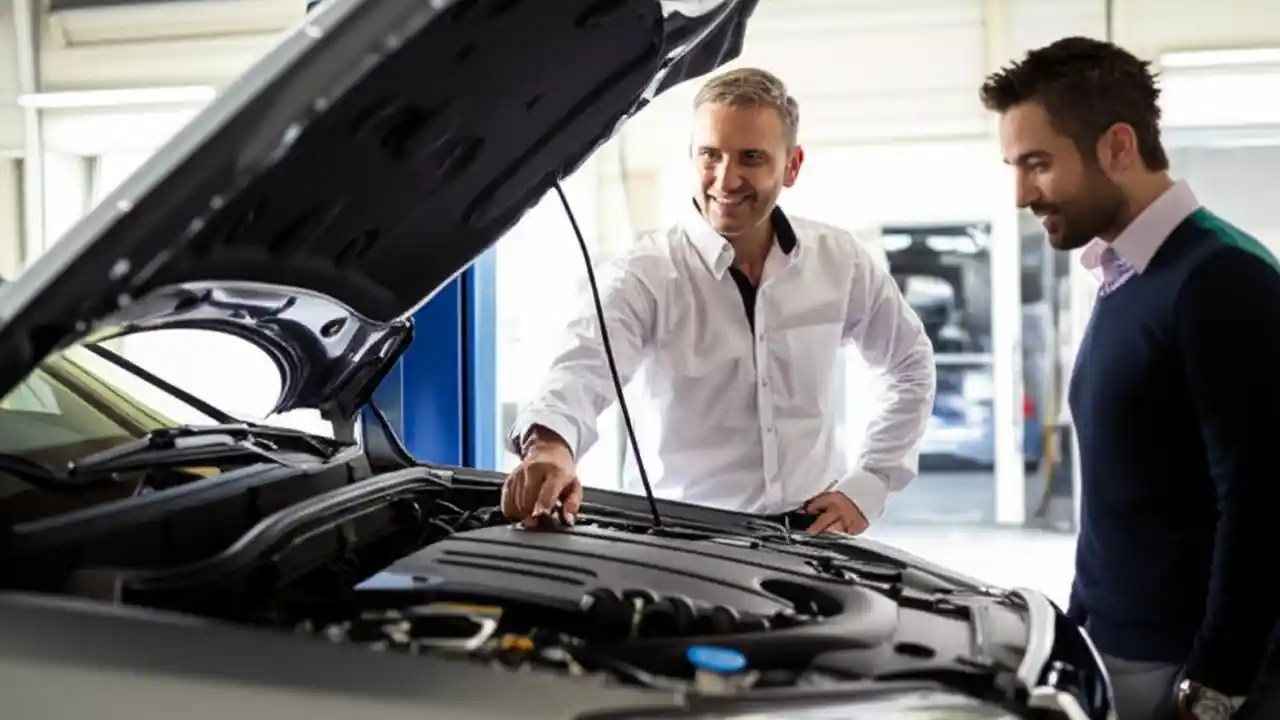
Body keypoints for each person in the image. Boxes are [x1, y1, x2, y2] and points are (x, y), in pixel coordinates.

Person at [981, 36, 1280, 719]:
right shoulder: (1125, 277)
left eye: (1038, 164)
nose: (1023, 193)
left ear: (1118, 146)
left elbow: (1264, 502)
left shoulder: (1219, 278)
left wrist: (1215, 686)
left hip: (1188, 671)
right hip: (1119, 648)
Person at [500, 67, 936, 535]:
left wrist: (868, 485)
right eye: (711, 155)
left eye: (751, 158)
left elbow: (910, 364)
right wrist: (550, 447)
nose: (726, 180)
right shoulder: (644, 274)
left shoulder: (840, 261)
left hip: (813, 538)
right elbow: (580, 372)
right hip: (680, 543)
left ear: (792, 166)